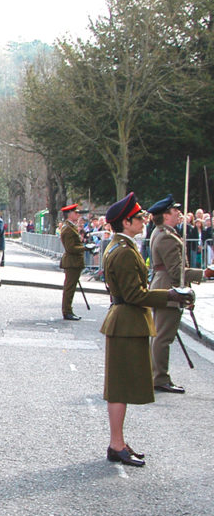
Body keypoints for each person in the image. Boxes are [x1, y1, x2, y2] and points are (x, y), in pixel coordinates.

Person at [100, 193, 193, 467]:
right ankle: (116, 444)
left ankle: (118, 442)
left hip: (125, 321)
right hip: (126, 321)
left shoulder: (120, 246)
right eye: (138, 217)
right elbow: (135, 295)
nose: (143, 220)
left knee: (123, 386)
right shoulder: (125, 251)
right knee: (119, 387)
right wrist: (171, 295)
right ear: (126, 222)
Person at [147, 196, 212, 394]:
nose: (178, 213)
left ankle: (156, 375)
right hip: (169, 290)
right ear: (165, 215)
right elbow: (176, 272)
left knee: (159, 335)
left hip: (164, 287)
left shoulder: (162, 232)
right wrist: (205, 274)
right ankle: (159, 377)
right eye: (174, 211)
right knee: (163, 337)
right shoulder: (166, 236)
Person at [59, 204, 87, 320]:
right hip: (72, 262)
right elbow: (70, 248)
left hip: (73, 262)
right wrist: (85, 248)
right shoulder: (68, 229)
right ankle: (67, 311)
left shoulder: (70, 227)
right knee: (69, 288)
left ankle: (68, 310)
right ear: (69, 214)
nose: (78, 215)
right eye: (76, 213)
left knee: (70, 287)